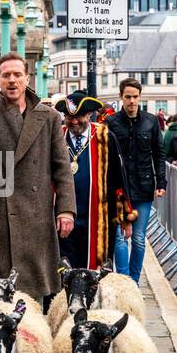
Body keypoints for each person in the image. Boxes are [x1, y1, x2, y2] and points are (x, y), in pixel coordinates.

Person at [0, 53, 76, 307]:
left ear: (27, 78)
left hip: (36, 218)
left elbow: (62, 168)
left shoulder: (49, 117)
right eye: (6, 75)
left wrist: (66, 210)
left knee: (32, 299)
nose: (12, 80)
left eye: (18, 74)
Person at [54, 91, 134, 270]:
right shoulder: (57, 136)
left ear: (89, 114)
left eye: (79, 116)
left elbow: (119, 179)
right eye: (69, 117)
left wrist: (125, 217)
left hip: (99, 216)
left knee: (96, 270)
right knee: (64, 266)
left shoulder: (104, 137)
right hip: (63, 214)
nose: (74, 121)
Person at [107, 77, 166, 282]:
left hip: (143, 186)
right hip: (119, 188)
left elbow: (159, 153)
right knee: (120, 238)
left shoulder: (150, 122)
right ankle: (124, 280)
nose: (132, 101)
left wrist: (161, 183)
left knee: (139, 239)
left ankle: (134, 281)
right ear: (121, 97)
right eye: (128, 97)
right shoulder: (111, 122)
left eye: (135, 97)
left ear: (140, 97)